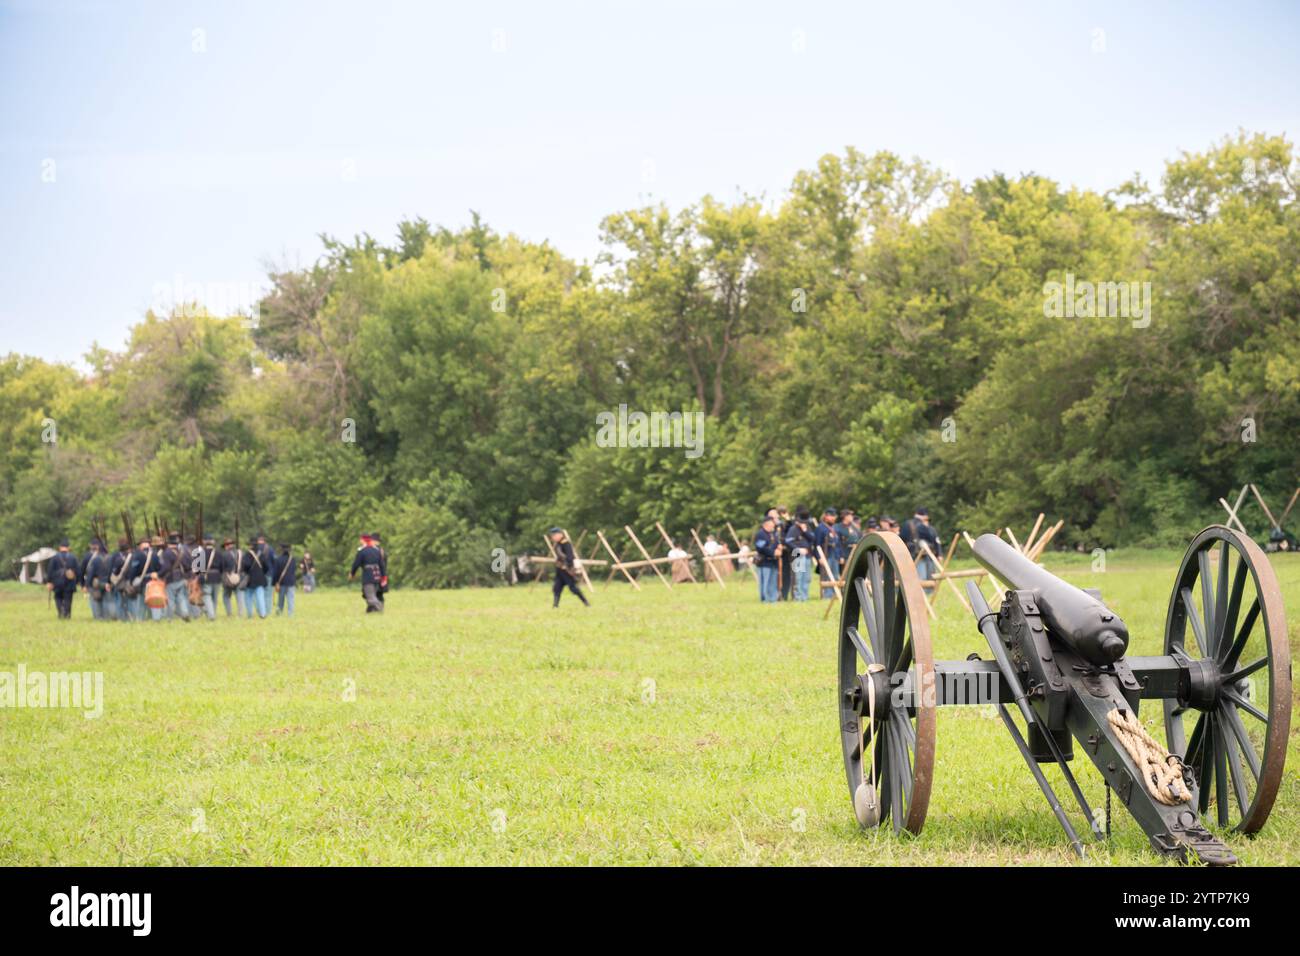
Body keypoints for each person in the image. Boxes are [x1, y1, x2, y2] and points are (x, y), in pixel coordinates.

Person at [547, 527, 589, 608]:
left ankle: (585, 602)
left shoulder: (566, 543)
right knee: (557, 587)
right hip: (560, 570)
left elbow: (570, 556)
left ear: (560, 535)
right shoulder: (558, 544)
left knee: (573, 588)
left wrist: (566, 565)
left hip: (567, 570)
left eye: (554, 535)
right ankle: (555, 605)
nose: (553, 537)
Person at [900, 507, 941, 580]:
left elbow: (901, 540)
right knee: (926, 579)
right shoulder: (927, 527)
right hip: (925, 556)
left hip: (911, 556)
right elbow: (933, 539)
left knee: (918, 579)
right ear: (925, 516)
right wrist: (939, 554)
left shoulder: (907, 524)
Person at [783, 509, 816, 601]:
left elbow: (813, 539)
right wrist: (798, 549)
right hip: (797, 555)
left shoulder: (807, 528)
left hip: (808, 555)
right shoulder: (793, 529)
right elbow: (788, 541)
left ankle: (804, 596)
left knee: (806, 577)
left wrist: (805, 531)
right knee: (798, 577)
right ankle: (797, 597)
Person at [349, 533, 386, 613]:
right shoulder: (376, 550)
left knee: (370, 597)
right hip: (377, 576)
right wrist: (383, 577)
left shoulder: (362, 551)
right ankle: (371, 611)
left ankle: (380, 606)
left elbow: (356, 564)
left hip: (368, 576)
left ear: (363, 540)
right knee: (372, 595)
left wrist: (352, 573)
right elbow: (382, 565)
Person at [160, 534, 192, 622]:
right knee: (181, 598)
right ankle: (185, 613)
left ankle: (169, 618)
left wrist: (160, 575)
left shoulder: (167, 553)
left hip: (171, 578)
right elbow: (187, 565)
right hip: (181, 577)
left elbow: (166, 567)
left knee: (170, 599)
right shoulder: (182, 552)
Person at [46, 539, 80, 619]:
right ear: (68, 547)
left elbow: (50, 570)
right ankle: (67, 614)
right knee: (68, 599)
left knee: (58, 597)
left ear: (60, 547)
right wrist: (78, 581)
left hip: (57, 581)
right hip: (70, 582)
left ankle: (60, 612)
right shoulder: (73, 557)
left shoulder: (54, 558)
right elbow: (78, 570)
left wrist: (49, 582)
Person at [80, 536, 111, 621]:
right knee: (106, 600)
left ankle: (98, 617)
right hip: (107, 582)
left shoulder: (87, 556)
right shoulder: (109, 557)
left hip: (95, 582)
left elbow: (83, 571)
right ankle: (106, 616)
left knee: (95, 600)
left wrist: (84, 584)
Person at [814, 507, 842, 599]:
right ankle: (827, 595)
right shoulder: (820, 528)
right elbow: (817, 544)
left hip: (834, 554)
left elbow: (838, 543)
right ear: (826, 516)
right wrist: (819, 557)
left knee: (835, 575)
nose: (833, 518)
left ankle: (835, 594)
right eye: (831, 516)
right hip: (826, 554)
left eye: (834, 516)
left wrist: (840, 555)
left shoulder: (835, 528)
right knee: (826, 576)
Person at [754, 514, 781, 603]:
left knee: (773, 581)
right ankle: (765, 599)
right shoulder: (760, 534)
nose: (773, 524)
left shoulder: (773, 533)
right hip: (764, 562)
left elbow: (776, 543)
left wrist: (778, 548)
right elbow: (761, 548)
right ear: (766, 524)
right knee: (765, 581)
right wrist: (773, 552)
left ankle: (773, 599)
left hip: (774, 561)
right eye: (772, 523)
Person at [243, 536, 270, 618]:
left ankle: (250, 614)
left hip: (250, 578)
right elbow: (267, 567)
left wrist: (246, 572)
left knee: (248, 596)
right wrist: (262, 573)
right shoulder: (261, 554)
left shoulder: (247, 554)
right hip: (260, 577)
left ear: (250, 545)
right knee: (260, 596)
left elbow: (245, 565)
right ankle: (263, 614)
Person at [107, 537, 132, 620]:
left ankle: (121, 617)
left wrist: (109, 581)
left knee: (118, 600)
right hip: (129, 581)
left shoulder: (115, 556)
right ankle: (128, 617)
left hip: (118, 581)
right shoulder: (132, 555)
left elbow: (111, 569)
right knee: (128, 600)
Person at [198, 533, 221, 620]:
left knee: (207, 596)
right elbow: (222, 566)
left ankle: (211, 615)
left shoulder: (201, 553)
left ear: (204, 541)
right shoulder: (218, 552)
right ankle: (213, 613)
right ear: (213, 542)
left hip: (205, 577)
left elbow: (198, 567)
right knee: (214, 597)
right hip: (217, 577)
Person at [221, 537, 243, 617]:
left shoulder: (224, 555)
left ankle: (229, 613)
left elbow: (222, 567)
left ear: (226, 546)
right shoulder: (240, 553)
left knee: (226, 596)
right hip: (239, 576)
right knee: (239, 596)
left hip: (228, 577)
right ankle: (240, 613)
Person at [273, 543, 296, 616]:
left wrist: (275, 582)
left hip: (281, 582)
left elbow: (276, 572)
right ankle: (290, 614)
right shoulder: (292, 559)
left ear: (282, 550)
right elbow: (293, 570)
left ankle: (279, 613)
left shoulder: (278, 559)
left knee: (281, 600)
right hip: (291, 582)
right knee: (291, 599)